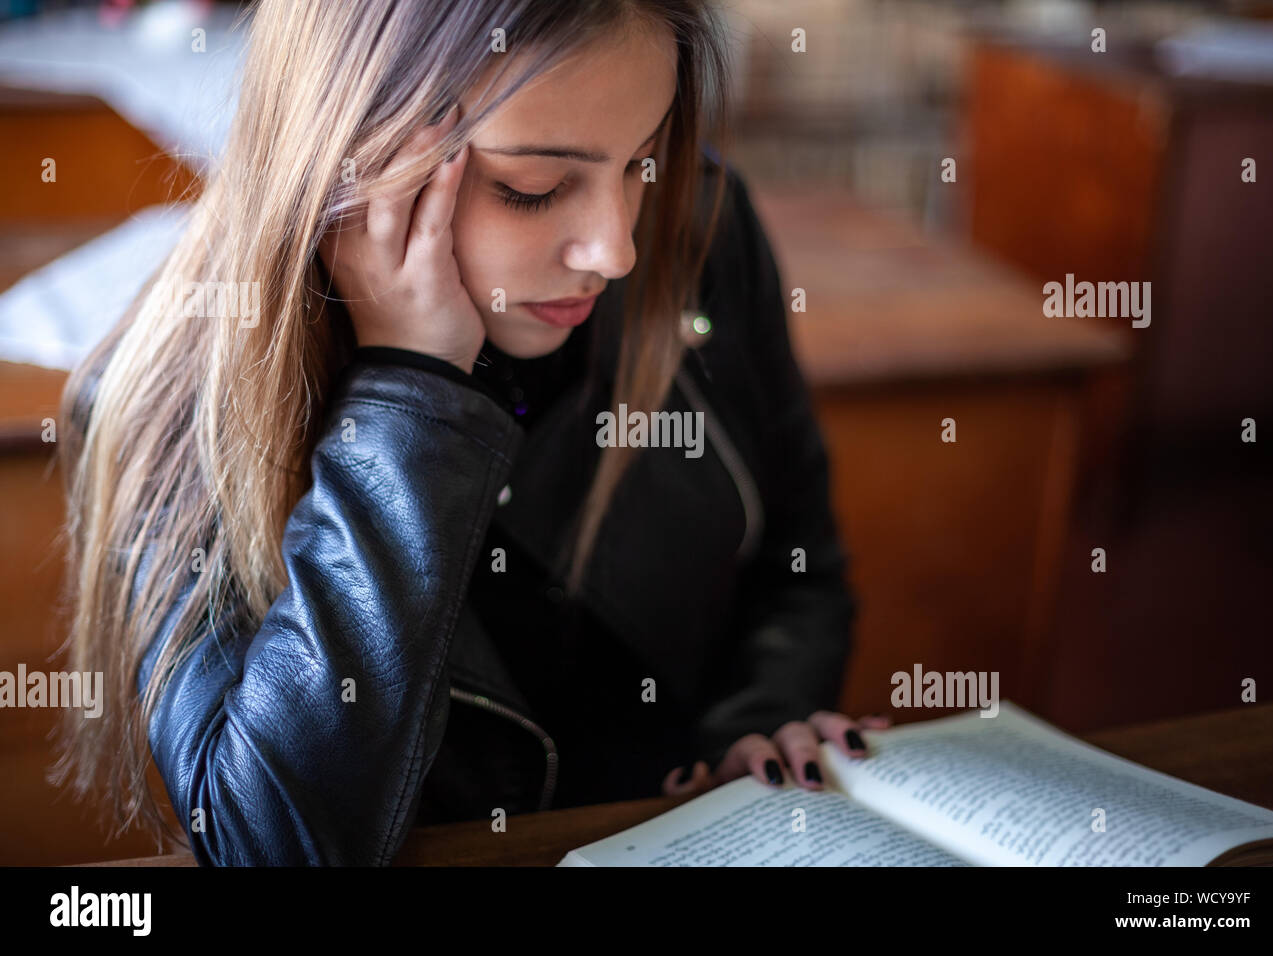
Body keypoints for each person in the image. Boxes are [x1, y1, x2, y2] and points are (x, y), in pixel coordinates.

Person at [52, 0, 889, 866]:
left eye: (642, 160)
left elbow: (800, 572)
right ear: (356, 161)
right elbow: (271, 847)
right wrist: (410, 395)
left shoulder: (700, 230)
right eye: (532, 188)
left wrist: (750, 738)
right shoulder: (175, 403)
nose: (615, 250)